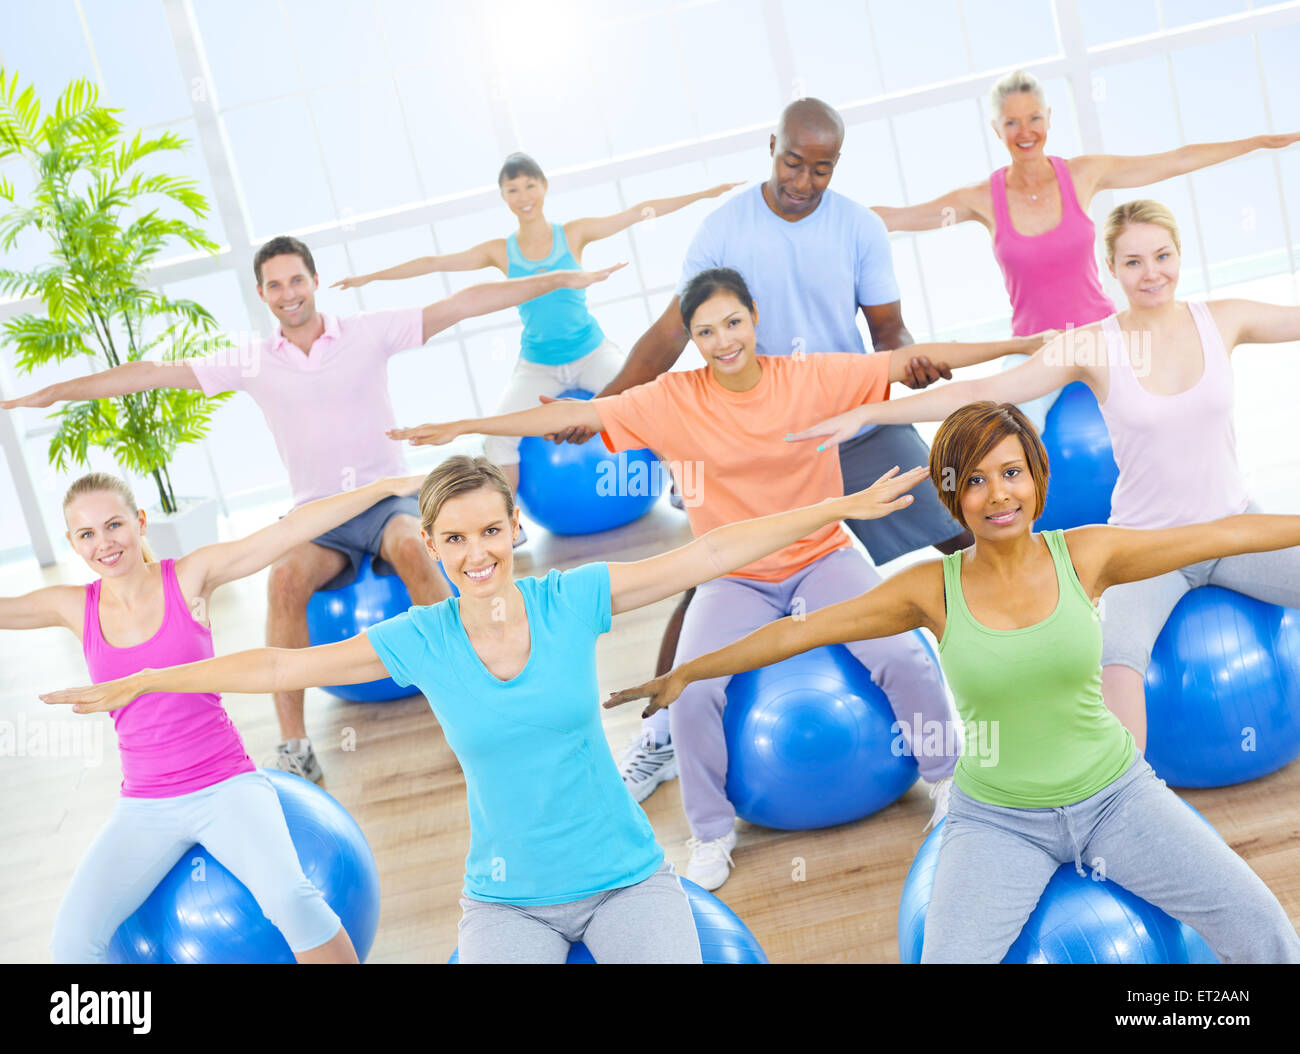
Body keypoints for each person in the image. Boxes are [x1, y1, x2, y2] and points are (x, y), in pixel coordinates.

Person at [40, 456, 928, 963]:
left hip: (626, 874)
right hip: (508, 903)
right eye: (454, 539)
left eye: (490, 533)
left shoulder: (571, 599)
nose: (475, 554)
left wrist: (838, 507)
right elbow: (279, 658)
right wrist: (149, 681)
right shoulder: (420, 638)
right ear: (430, 544)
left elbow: (712, 550)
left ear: (517, 531)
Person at [389, 267, 1051, 888]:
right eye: (706, 332)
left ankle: (947, 782)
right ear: (693, 340)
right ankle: (710, 835)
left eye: (732, 323)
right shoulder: (671, 400)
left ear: (755, 318)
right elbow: (577, 416)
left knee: (903, 654)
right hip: (732, 575)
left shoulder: (809, 377)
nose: (722, 341)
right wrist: (472, 425)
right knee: (692, 690)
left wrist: (1021, 341)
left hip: (821, 554)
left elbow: (910, 360)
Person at [606, 402, 1300, 963]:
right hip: (998, 821)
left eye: (1011, 473)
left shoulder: (1088, 553)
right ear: (951, 495)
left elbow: (1222, 535)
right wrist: (689, 671)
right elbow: (801, 631)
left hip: (1117, 798)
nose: (997, 495)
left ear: (1037, 475)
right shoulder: (931, 590)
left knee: (1264, 930)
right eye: (973, 479)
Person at [2, 234, 619, 782]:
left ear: (315, 281)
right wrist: (56, 392)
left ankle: (478, 707)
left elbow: (461, 305)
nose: (288, 292)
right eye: (274, 285)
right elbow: (154, 374)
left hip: (385, 499)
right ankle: (296, 746)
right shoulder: (253, 360)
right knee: (285, 577)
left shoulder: (368, 332)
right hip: (318, 517)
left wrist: (561, 279)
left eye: (297, 279)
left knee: (412, 545)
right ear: (262, 295)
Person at [547, 98, 979, 797]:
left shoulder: (859, 228)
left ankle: (1011, 665)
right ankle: (658, 737)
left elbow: (890, 332)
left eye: (822, 169)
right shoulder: (723, 231)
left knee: (963, 531)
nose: (805, 181)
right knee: (711, 582)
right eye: (793, 162)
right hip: (759, 445)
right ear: (770, 144)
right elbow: (669, 336)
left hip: (855, 423)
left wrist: (912, 365)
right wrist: (600, 408)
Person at [791, 199, 1300, 750]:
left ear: (1179, 254)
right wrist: (870, 411)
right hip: (1144, 549)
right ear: (1110, 267)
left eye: (1162, 256)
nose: (1151, 273)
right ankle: (1127, 800)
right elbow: (978, 394)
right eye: (1133, 262)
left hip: (1235, 529)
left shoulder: (1223, 318)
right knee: (1117, 662)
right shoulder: (1093, 345)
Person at [0, 468, 427, 962]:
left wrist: (380, 490)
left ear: (140, 522)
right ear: (72, 543)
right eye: (87, 534)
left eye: (114, 525)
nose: (105, 543)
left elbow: (286, 533)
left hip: (224, 786)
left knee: (291, 898)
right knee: (71, 942)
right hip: (144, 805)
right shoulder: (74, 606)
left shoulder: (188, 578)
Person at [872, 68, 1300, 432]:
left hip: (1105, 336)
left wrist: (1258, 142)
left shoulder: (1083, 174)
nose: (1026, 132)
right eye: (1012, 123)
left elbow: (1176, 159)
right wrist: (812, 204)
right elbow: (898, 217)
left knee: (1173, 414)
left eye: (1034, 118)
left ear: (1049, 118)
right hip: (1037, 348)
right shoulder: (981, 198)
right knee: (1009, 435)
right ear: (996, 129)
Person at [333, 152, 739, 528]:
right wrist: (370, 277)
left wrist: (706, 193)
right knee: (498, 439)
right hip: (538, 365)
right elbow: (436, 262)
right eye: (513, 190)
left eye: (529, 186)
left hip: (591, 353)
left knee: (650, 403)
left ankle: (685, 489)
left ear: (544, 187)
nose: (523, 196)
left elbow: (636, 213)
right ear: (504, 197)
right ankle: (507, 525)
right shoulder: (501, 251)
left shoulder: (574, 234)